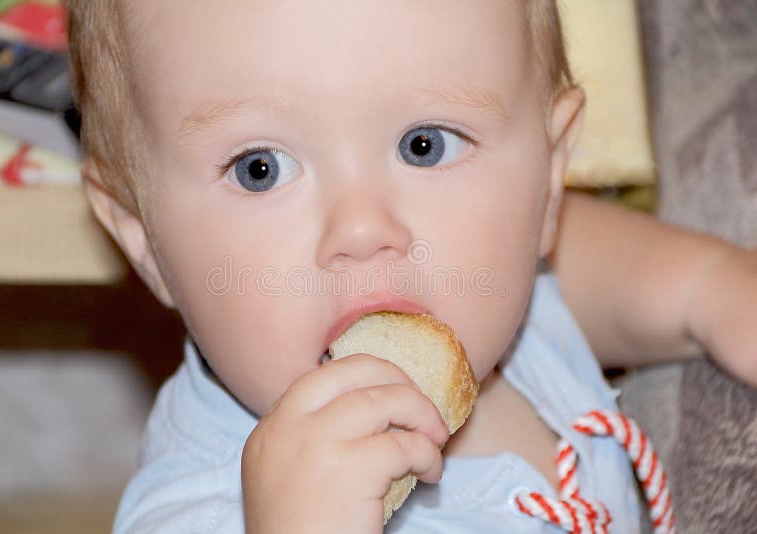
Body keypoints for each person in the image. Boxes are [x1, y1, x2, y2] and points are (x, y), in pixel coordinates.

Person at [66, 1, 756, 532]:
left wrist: (708, 286)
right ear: (144, 239)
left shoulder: (494, 304)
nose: (363, 229)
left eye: (424, 145)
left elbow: (579, 267)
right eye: (260, 169)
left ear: (546, 183)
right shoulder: (195, 509)